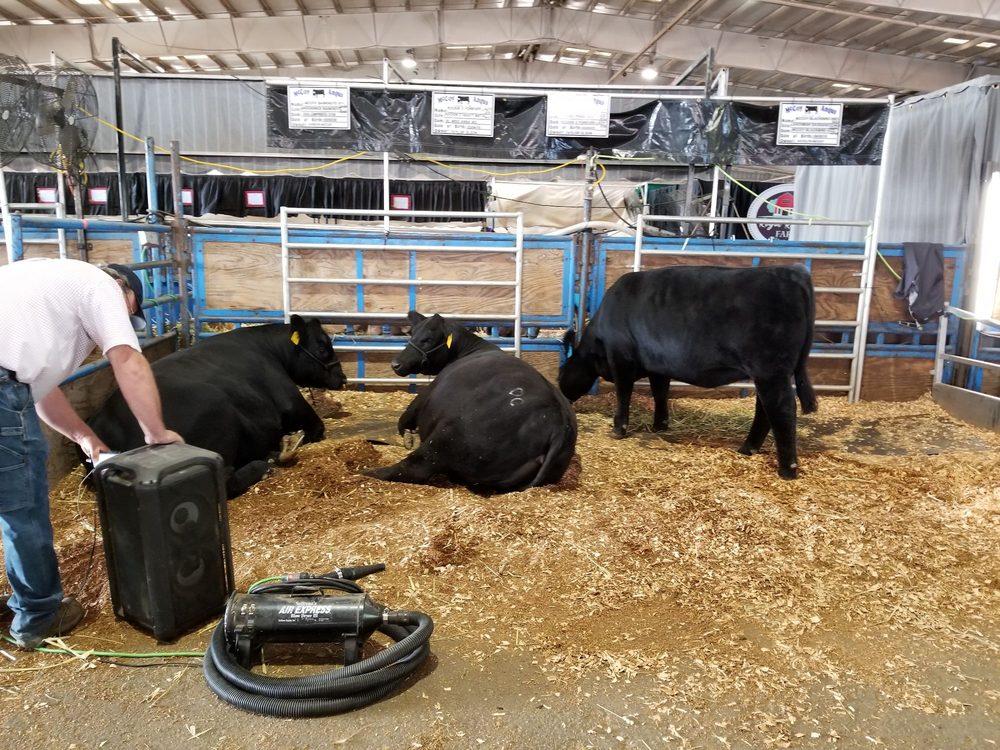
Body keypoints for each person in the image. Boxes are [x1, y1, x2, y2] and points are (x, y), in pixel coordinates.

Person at [0, 258, 184, 651]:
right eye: (129, 311)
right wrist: (156, 433)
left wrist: (85, 439)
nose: (120, 319)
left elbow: (40, 392)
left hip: (9, 382)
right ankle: (37, 614)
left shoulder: (39, 281)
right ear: (124, 289)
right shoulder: (101, 285)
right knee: (23, 509)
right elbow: (128, 359)